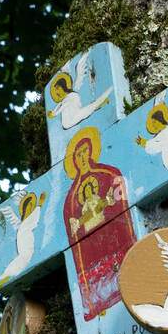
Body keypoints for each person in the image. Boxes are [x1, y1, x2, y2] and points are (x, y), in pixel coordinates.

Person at [63, 128, 135, 320]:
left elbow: (119, 197)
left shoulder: (107, 173)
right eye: (78, 155)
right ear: (74, 160)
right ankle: (99, 303)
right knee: (99, 277)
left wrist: (110, 203)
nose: (82, 157)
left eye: (85, 151)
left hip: (112, 234)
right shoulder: (71, 196)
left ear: (91, 151)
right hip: (92, 246)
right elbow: (72, 229)